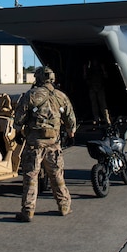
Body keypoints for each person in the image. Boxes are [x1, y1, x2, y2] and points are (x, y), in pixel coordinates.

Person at [13, 66, 76, 222]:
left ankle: (28, 210)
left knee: (31, 176)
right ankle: (64, 206)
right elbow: (71, 121)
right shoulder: (61, 97)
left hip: (34, 144)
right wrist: (70, 132)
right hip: (53, 144)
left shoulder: (30, 96)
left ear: (38, 78)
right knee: (56, 175)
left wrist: (18, 132)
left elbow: (18, 120)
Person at [84, 58, 111, 125]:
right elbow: (85, 78)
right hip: (92, 87)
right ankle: (96, 118)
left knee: (103, 104)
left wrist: (103, 69)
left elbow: (106, 76)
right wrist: (84, 70)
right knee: (94, 104)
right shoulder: (90, 69)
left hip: (100, 87)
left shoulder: (100, 69)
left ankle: (106, 118)